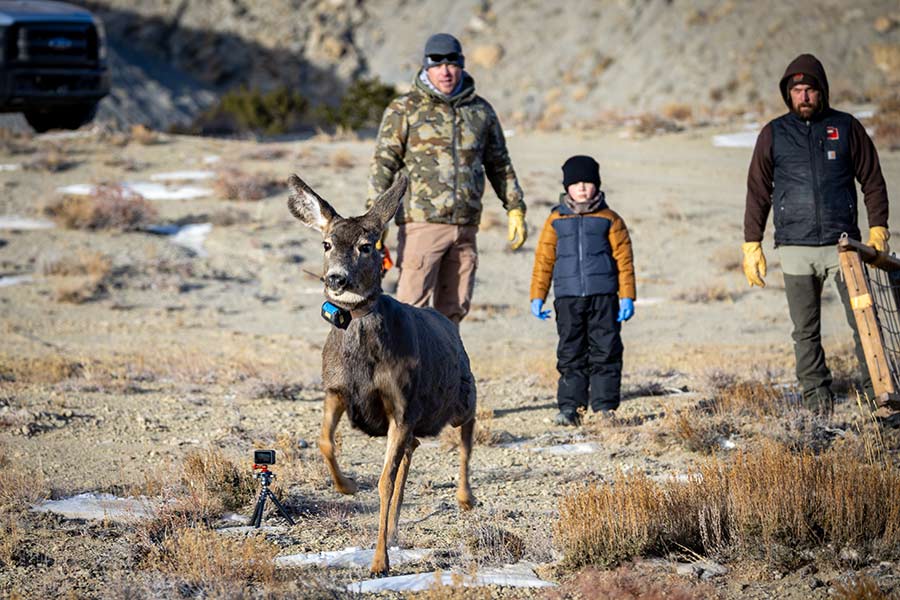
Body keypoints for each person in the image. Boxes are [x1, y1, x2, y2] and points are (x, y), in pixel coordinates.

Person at [742, 53, 890, 413]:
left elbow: (872, 180)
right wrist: (752, 243)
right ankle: (817, 401)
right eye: (797, 91)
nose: (804, 96)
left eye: (810, 89)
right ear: (787, 94)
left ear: (822, 91)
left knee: (864, 323)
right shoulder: (773, 134)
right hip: (795, 249)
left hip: (845, 249)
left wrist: (878, 227)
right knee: (805, 331)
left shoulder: (846, 127)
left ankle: (879, 396)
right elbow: (758, 190)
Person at [367, 33, 527, 325]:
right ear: (426, 67)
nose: (445, 70)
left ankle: (446, 371)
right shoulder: (405, 109)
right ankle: (407, 371)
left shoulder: (480, 111)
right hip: (422, 223)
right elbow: (382, 166)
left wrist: (515, 207)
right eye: (437, 63)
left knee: (453, 312)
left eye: (452, 63)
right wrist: (376, 223)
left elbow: (499, 163)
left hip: (465, 227)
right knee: (408, 310)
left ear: (462, 65)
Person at [530, 156, 636, 426]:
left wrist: (627, 296)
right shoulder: (555, 220)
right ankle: (570, 408)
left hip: (604, 297)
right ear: (566, 187)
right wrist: (537, 296)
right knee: (570, 352)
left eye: (587, 182)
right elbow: (544, 261)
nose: (582, 188)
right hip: (567, 298)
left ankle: (604, 409)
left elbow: (624, 261)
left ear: (597, 185)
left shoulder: (610, 219)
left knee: (606, 350)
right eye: (575, 183)